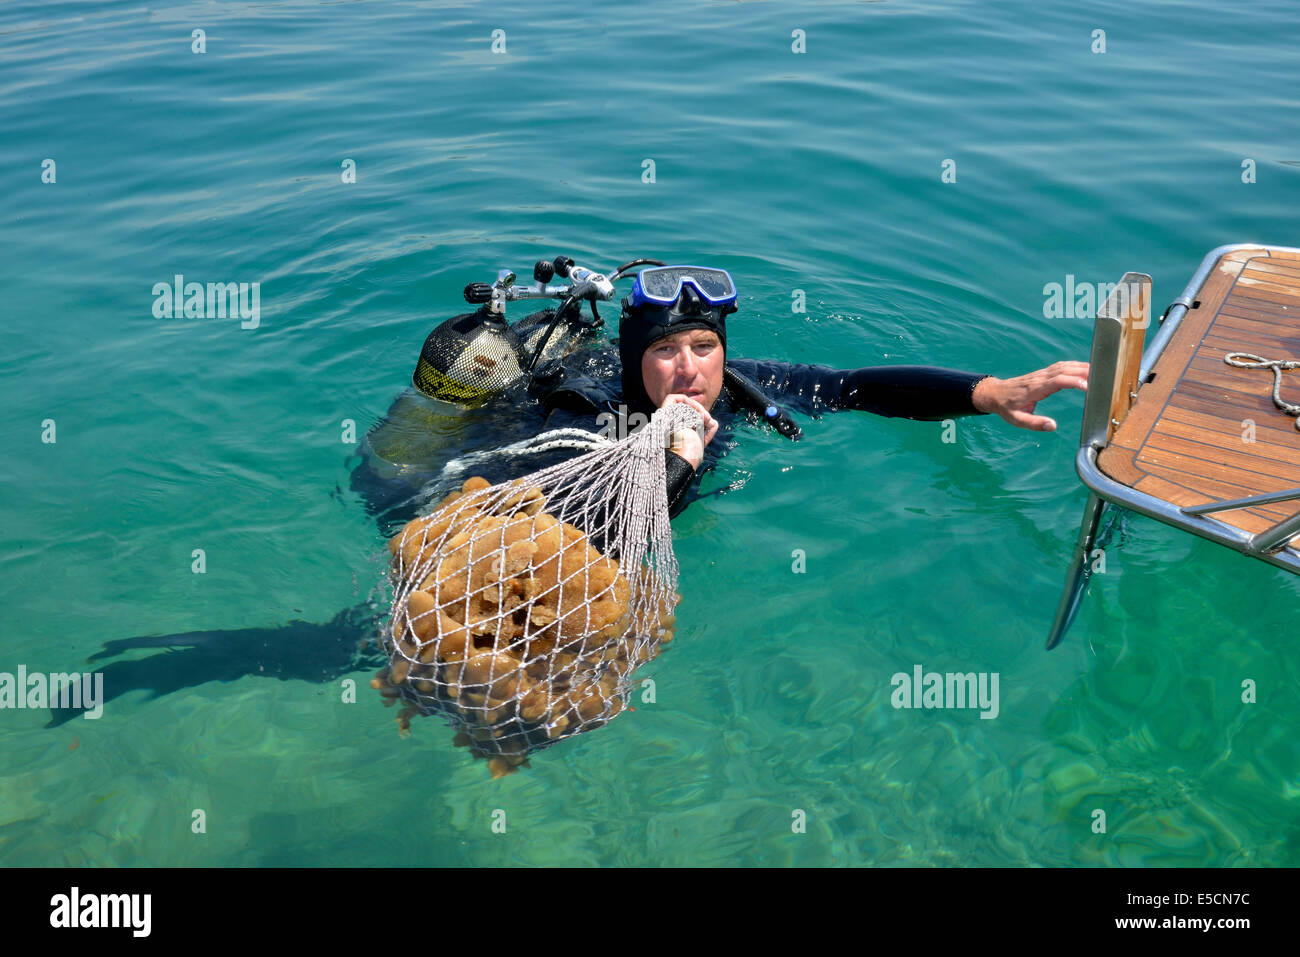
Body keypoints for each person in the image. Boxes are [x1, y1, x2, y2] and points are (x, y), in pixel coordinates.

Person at [527, 265, 1089, 517]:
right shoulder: (588, 412)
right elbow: (581, 521)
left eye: (704, 346)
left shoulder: (735, 384)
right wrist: (678, 457)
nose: (688, 370)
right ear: (634, 360)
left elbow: (854, 388)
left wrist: (986, 393)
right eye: (664, 351)